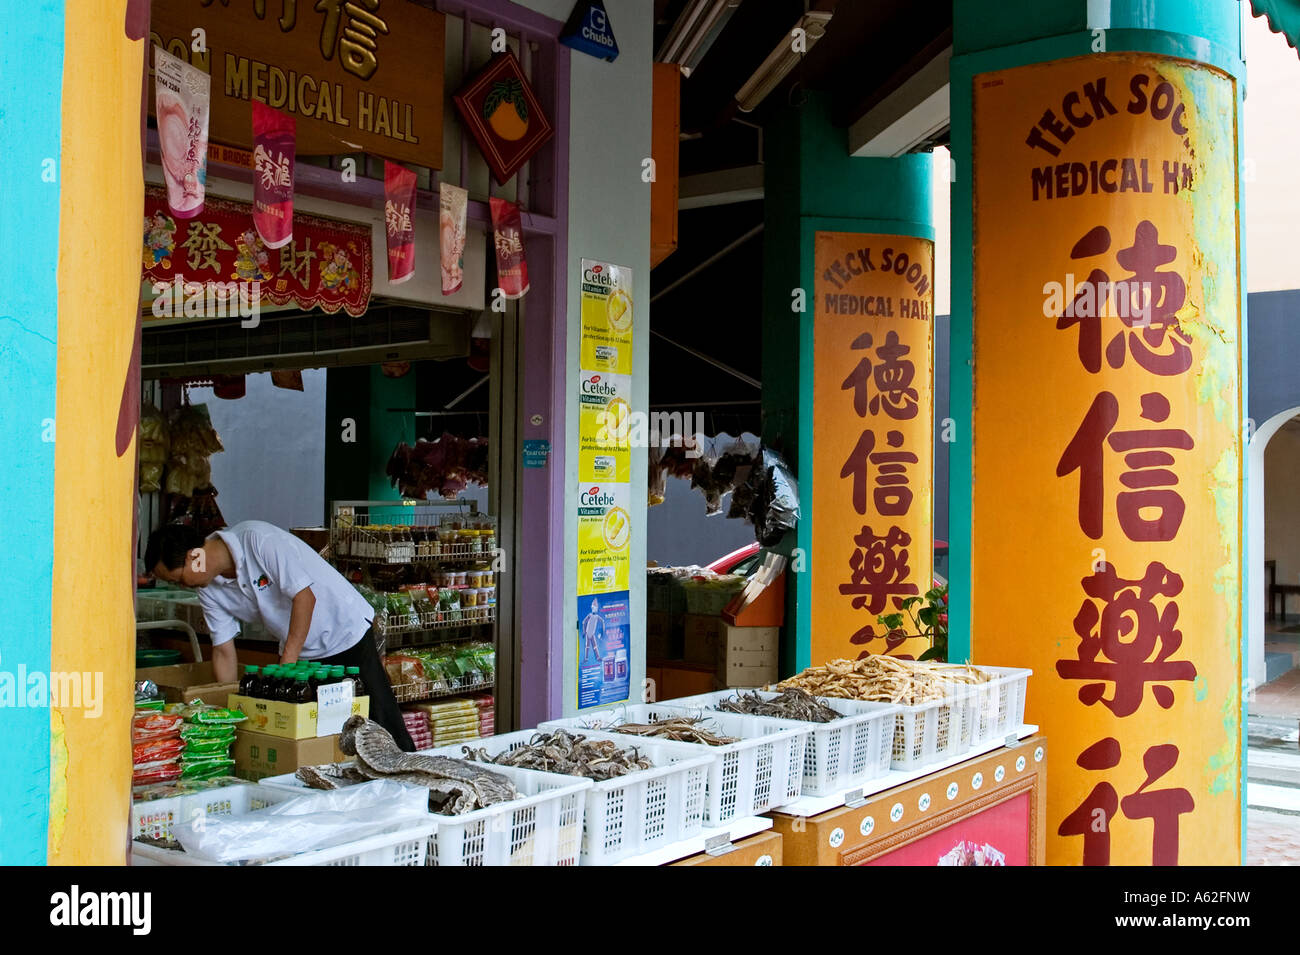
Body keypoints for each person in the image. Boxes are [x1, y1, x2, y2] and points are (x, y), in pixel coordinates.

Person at [145, 520, 415, 751]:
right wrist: (227, 707)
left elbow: (305, 598)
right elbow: (223, 649)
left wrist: (287, 661)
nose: (182, 586)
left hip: (345, 630)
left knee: (378, 721)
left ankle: (411, 782)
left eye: (178, 579)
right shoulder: (208, 589)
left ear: (194, 556)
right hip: (303, 652)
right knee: (326, 733)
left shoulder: (258, 540)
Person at [580, 597, 604, 664]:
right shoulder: (590, 615)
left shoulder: (597, 617)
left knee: (595, 646)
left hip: (592, 634)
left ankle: (598, 657)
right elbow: (584, 622)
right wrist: (584, 632)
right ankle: (586, 658)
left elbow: (602, 621)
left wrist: (602, 632)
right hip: (588, 633)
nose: (594, 609)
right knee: (587, 646)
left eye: (595, 608)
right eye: (593, 607)